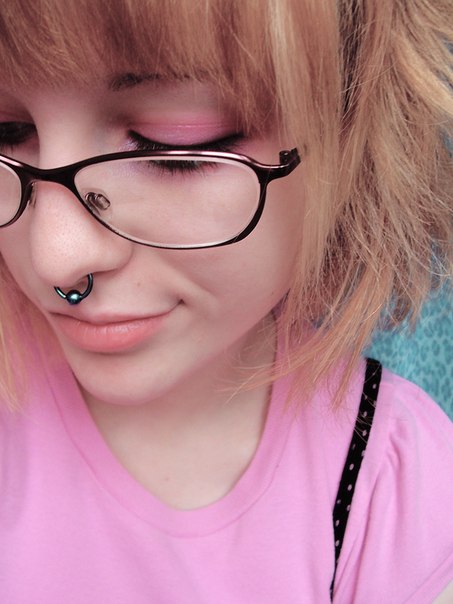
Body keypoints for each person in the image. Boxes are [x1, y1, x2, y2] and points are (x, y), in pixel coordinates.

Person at [0, 1, 451, 602]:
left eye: (175, 144)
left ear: (353, 142)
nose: (56, 258)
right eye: (6, 133)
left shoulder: (395, 486)